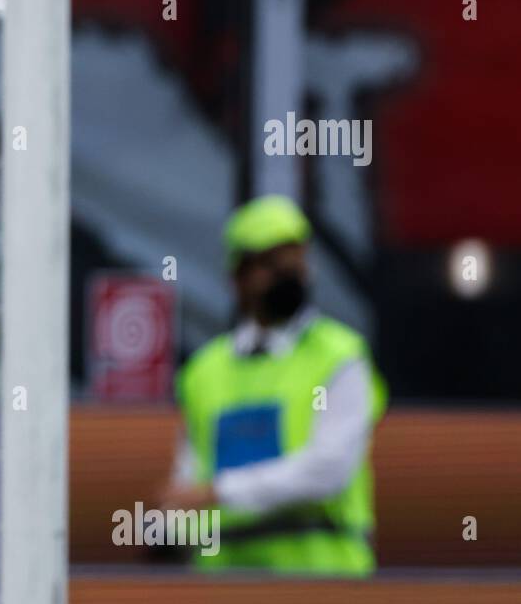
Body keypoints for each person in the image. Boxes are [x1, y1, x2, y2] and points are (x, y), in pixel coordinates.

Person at [158, 195, 386, 576]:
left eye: (294, 260)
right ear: (238, 278)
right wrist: (166, 526)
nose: (287, 273)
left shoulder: (341, 356)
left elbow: (328, 469)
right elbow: (191, 476)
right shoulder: (204, 371)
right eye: (270, 264)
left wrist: (217, 493)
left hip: (323, 581)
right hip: (223, 586)